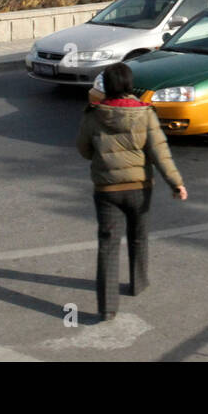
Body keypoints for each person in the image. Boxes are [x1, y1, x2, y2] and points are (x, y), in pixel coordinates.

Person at [77, 62, 187, 321]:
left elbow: (83, 150)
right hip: (139, 188)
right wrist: (176, 183)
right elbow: (160, 152)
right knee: (138, 237)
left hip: (107, 189)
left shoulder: (93, 114)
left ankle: (107, 308)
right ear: (128, 84)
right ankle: (138, 283)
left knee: (108, 245)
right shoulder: (145, 113)